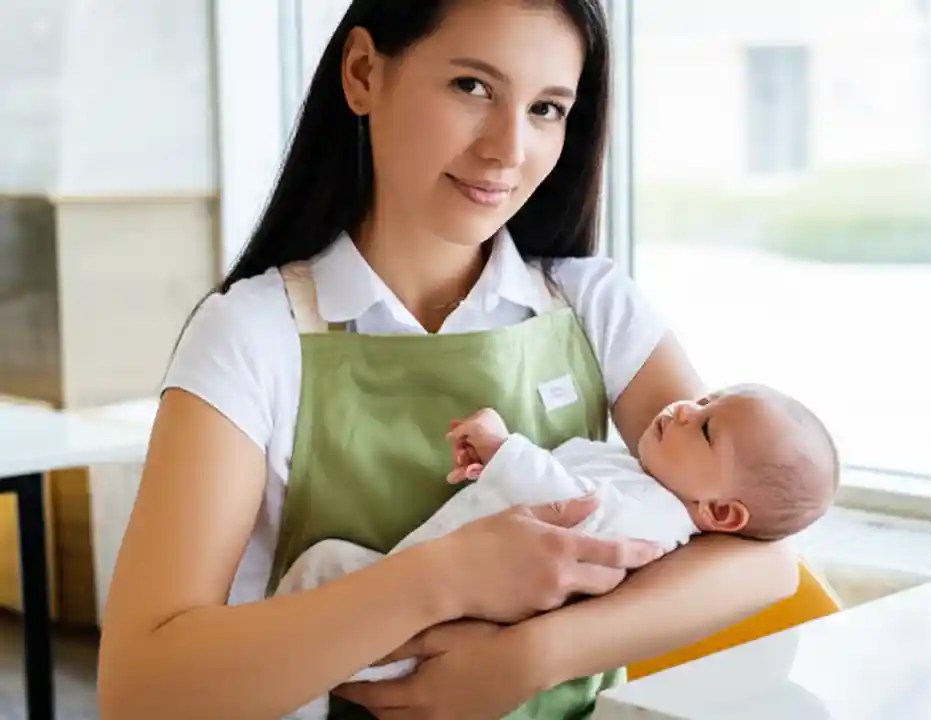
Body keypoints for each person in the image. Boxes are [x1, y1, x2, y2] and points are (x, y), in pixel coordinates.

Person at [96, 1, 797, 719]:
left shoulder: (592, 305)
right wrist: (445, 579)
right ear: (364, 73)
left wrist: (528, 660)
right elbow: (139, 690)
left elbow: (761, 558)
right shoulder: (251, 334)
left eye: (548, 108)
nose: (508, 149)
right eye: (473, 87)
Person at [277, 385, 839, 701]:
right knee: (318, 588)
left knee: (316, 590)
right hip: (416, 593)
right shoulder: (640, 470)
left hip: (433, 641)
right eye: (707, 398)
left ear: (719, 511)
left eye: (708, 427)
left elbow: (578, 507)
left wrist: (504, 450)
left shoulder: (656, 518)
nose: (686, 408)